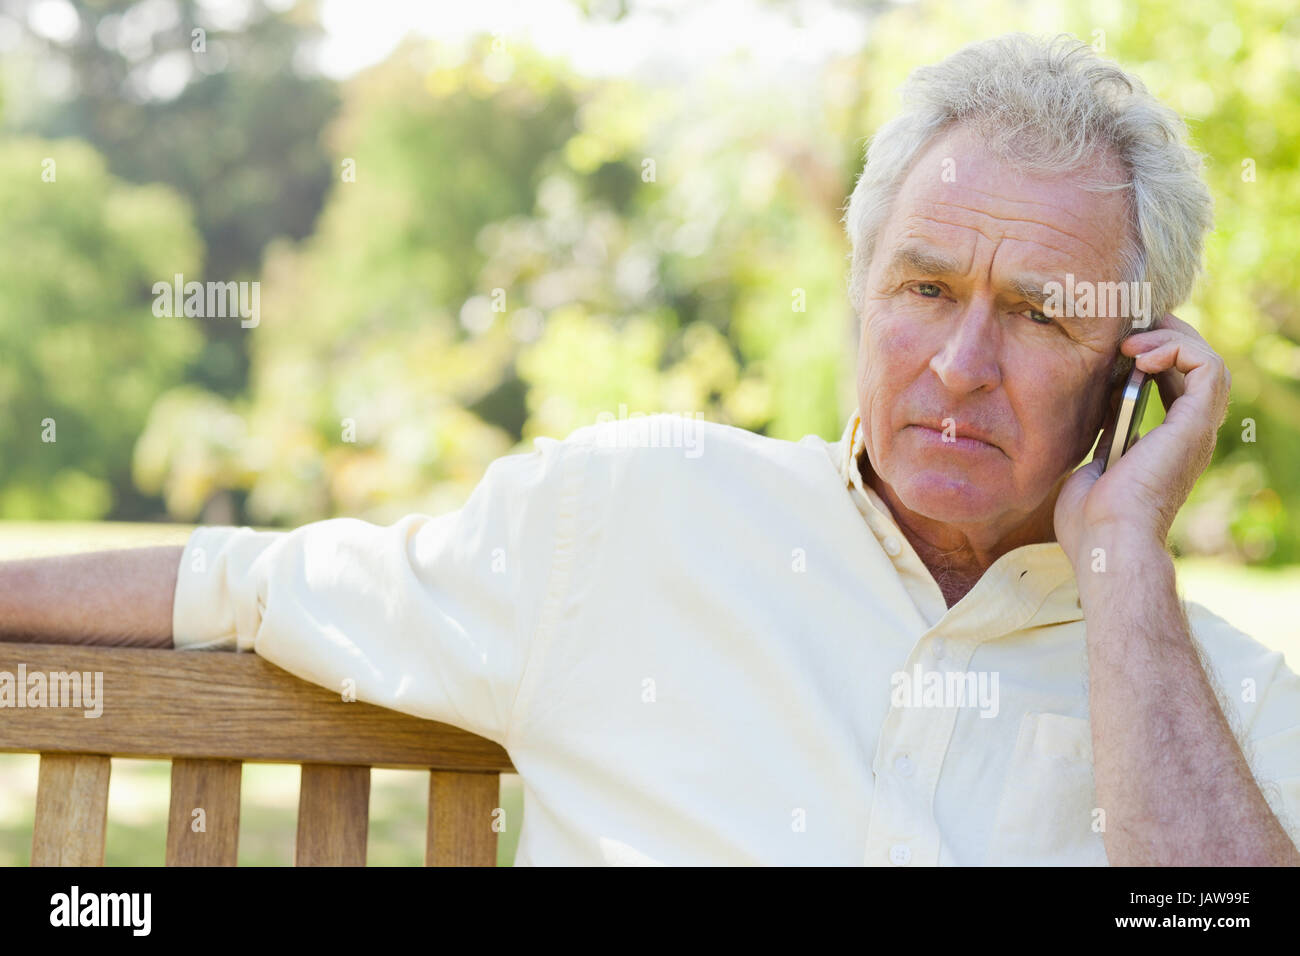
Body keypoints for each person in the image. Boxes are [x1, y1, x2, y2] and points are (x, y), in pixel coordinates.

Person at [4, 32, 1298, 866]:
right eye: (924, 290)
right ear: (857, 291)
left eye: (1034, 315)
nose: (961, 366)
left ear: (1136, 368)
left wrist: (1124, 562)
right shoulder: (630, 519)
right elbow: (242, 586)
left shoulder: (1215, 705)